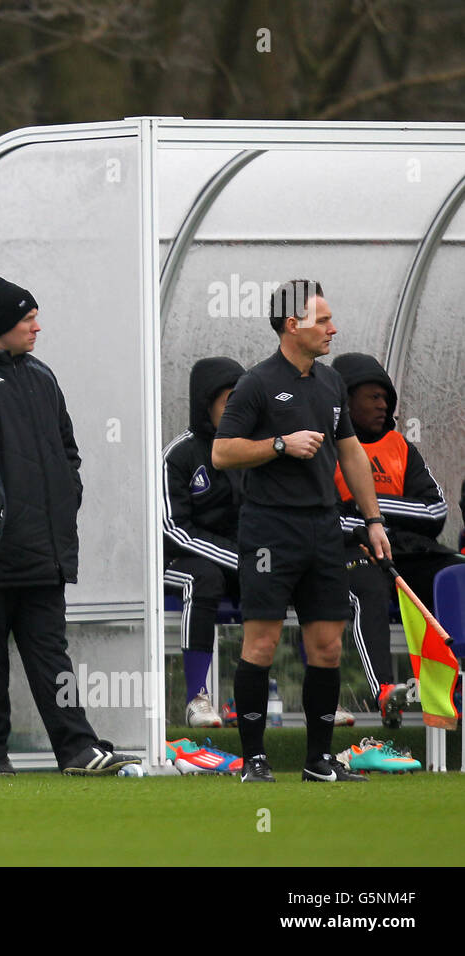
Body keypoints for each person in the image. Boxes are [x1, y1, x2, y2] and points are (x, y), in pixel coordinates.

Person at [0, 275, 141, 777]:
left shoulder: (42, 376)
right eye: (27, 319)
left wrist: (66, 501)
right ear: (2, 324)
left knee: (51, 656)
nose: (37, 327)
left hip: (44, 552)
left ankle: (79, 750)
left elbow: (68, 451)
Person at [212, 279, 390, 784]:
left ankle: (318, 760)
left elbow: (351, 451)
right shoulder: (256, 383)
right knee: (263, 643)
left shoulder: (332, 382)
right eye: (323, 320)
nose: (333, 328)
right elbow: (222, 452)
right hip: (270, 528)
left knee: (327, 647)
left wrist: (373, 520)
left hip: (323, 527)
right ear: (293, 325)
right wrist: (279, 444)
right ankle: (255, 759)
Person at [330, 352, 462, 728]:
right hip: (351, 551)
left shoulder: (401, 447)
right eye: (372, 397)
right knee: (368, 586)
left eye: (385, 398)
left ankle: (451, 691)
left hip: (407, 550)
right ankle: (385, 690)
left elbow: (434, 513)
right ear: (345, 402)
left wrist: (366, 505)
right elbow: (323, 516)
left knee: (455, 575)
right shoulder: (326, 447)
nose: (382, 405)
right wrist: (366, 522)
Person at [162, 357, 244, 728]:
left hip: (236, 558)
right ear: (205, 403)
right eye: (228, 401)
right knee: (204, 579)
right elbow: (172, 529)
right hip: (174, 563)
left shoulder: (250, 451)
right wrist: (238, 557)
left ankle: (317, 701)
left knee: (287, 574)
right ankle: (197, 697)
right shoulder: (179, 455)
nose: (236, 410)